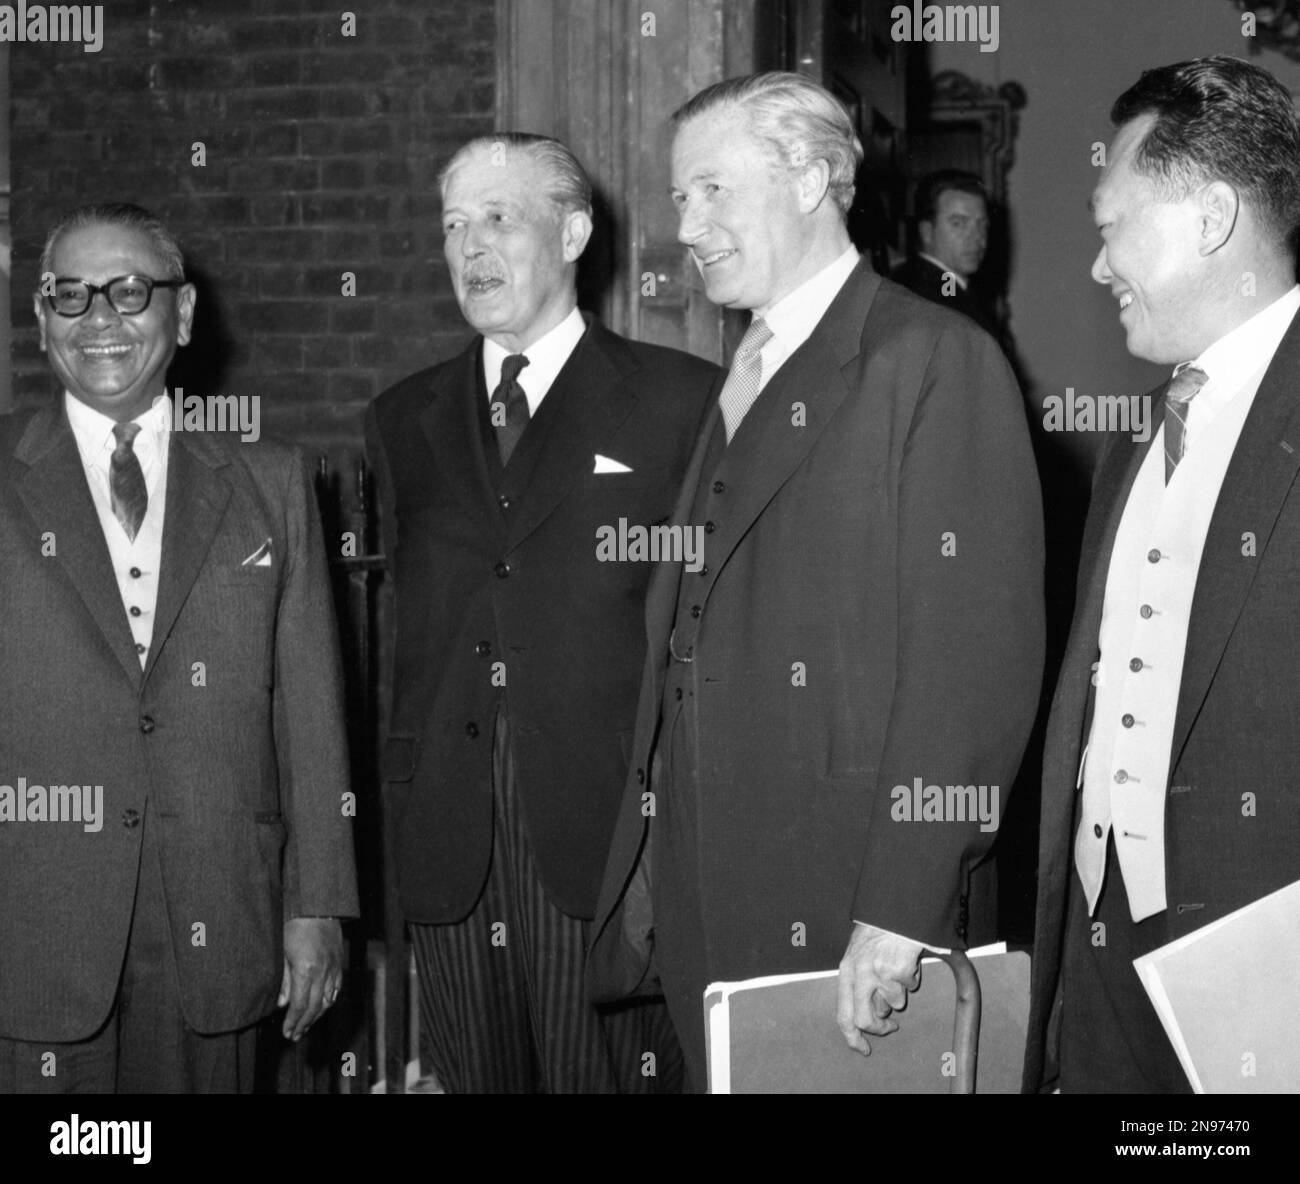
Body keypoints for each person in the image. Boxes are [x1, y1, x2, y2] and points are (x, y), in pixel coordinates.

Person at [587, 72, 1044, 1091]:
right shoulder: (744, 370)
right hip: (713, 894)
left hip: (848, 903)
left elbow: (971, 668)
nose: (686, 225)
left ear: (809, 178)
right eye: (679, 198)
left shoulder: (931, 357)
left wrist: (899, 908)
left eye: (710, 190)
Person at [366, 133, 719, 1093]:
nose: (469, 248)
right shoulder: (404, 420)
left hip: (607, 848)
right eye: (452, 225)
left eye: (497, 218)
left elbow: (702, 639)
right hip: (450, 847)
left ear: (572, 232)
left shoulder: (681, 403)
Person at [0, 202, 358, 1093]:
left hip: (217, 918)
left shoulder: (269, 480)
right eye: (71, 297)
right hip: (32, 922)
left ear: (185, 314)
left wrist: (318, 902)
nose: (101, 320)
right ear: (42, 320)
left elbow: (310, 707)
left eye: (128, 291)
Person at [1024, 54, 1300, 1094]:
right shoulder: (1134, 437)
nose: (1097, 268)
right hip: (1099, 954)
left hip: (1263, 986)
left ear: (1212, 216)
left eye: (1111, 227)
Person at [892, 169, 1000, 339]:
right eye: (959, 224)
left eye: (982, 225)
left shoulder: (946, 284)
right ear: (927, 231)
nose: (976, 238)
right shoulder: (934, 295)